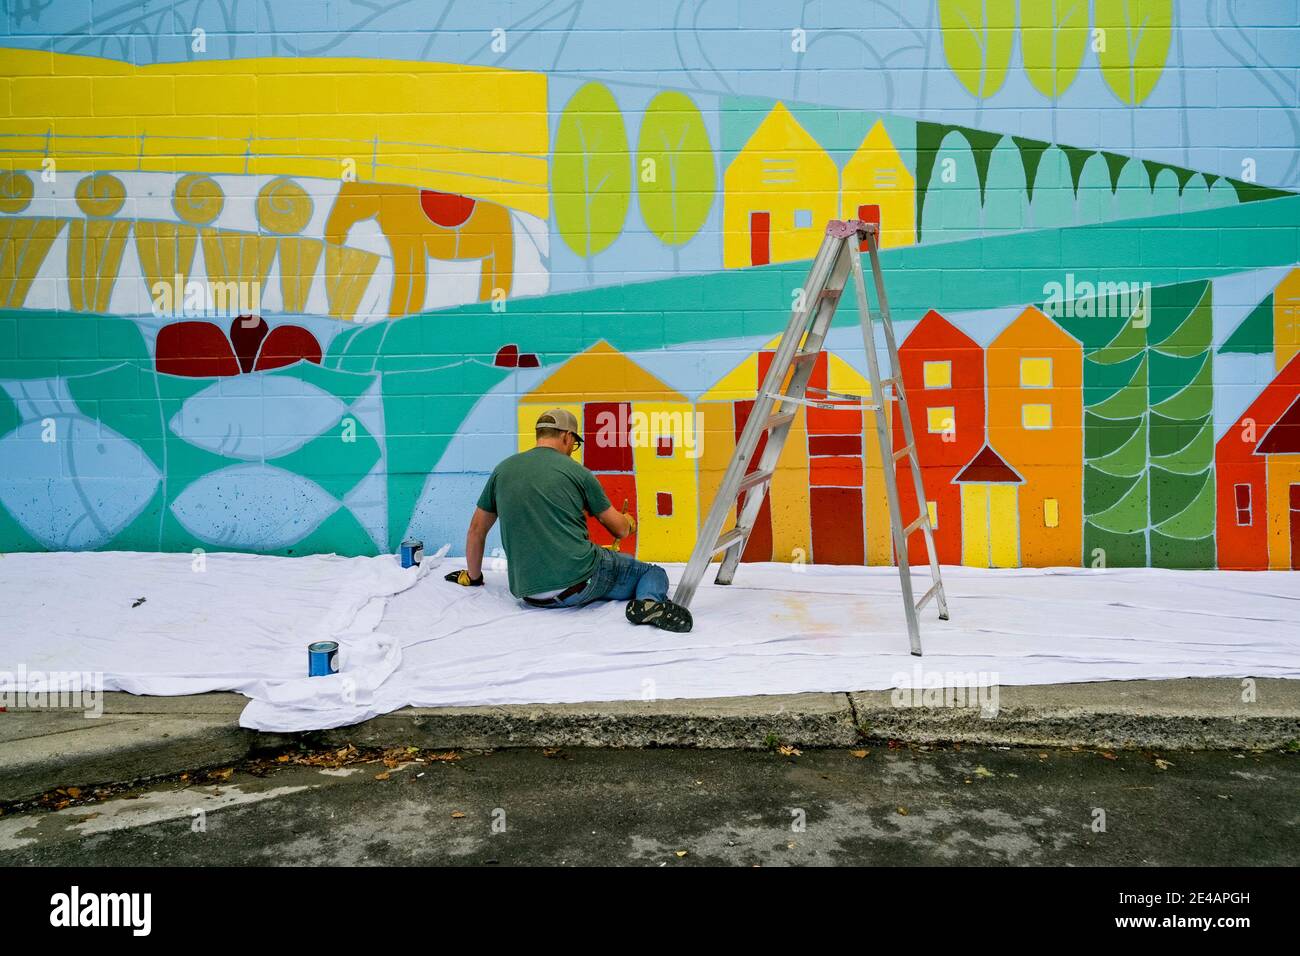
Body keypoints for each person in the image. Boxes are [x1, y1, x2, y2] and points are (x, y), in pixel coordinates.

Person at [443, 408, 693, 632]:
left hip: (528, 593)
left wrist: (474, 578)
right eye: (574, 443)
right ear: (567, 437)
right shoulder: (578, 473)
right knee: (651, 572)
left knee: (597, 556)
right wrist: (629, 521)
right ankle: (649, 602)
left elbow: (476, 530)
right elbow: (618, 528)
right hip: (579, 583)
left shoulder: (503, 469)